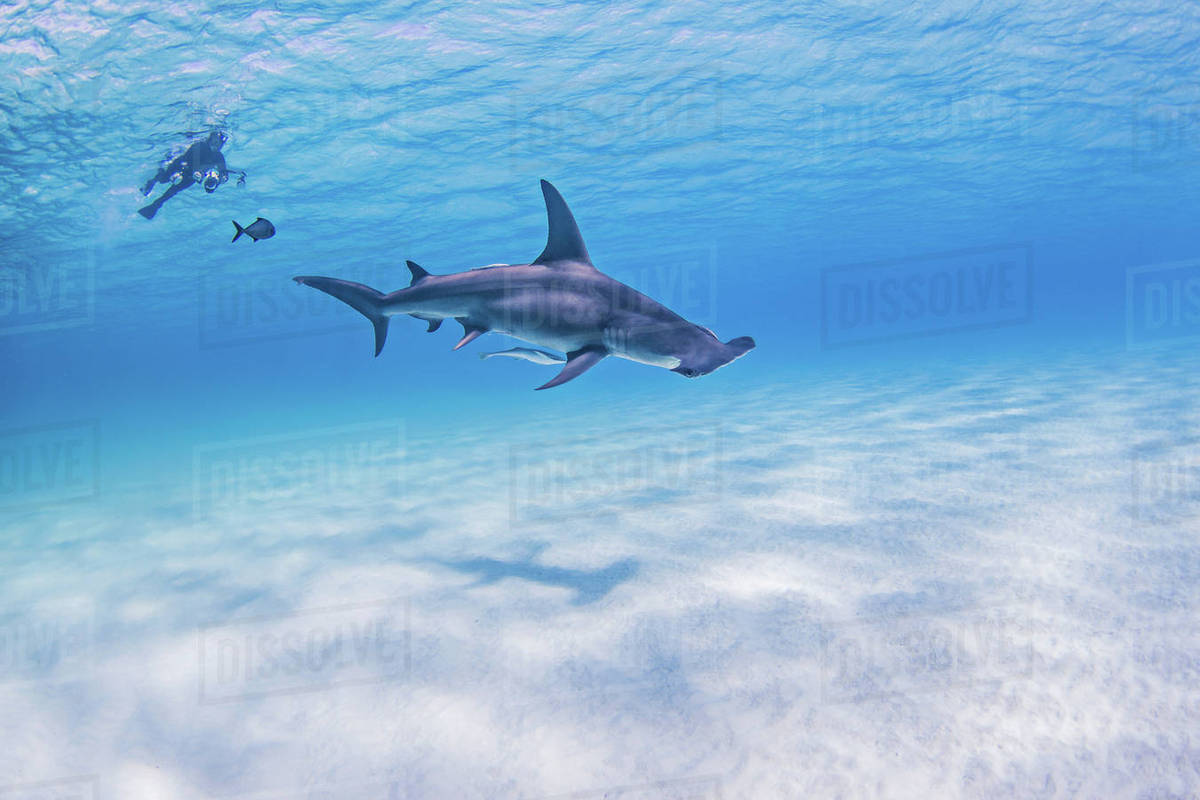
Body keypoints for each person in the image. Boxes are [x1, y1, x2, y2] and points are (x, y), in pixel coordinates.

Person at [138, 130, 245, 219]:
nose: (216, 145)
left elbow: (223, 172)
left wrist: (220, 180)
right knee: (163, 179)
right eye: (214, 141)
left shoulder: (219, 156)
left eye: (219, 144)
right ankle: (152, 181)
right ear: (210, 139)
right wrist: (197, 172)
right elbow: (193, 159)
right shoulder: (200, 146)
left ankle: (155, 206)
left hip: (192, 177)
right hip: (181, 166)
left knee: (173, 191)